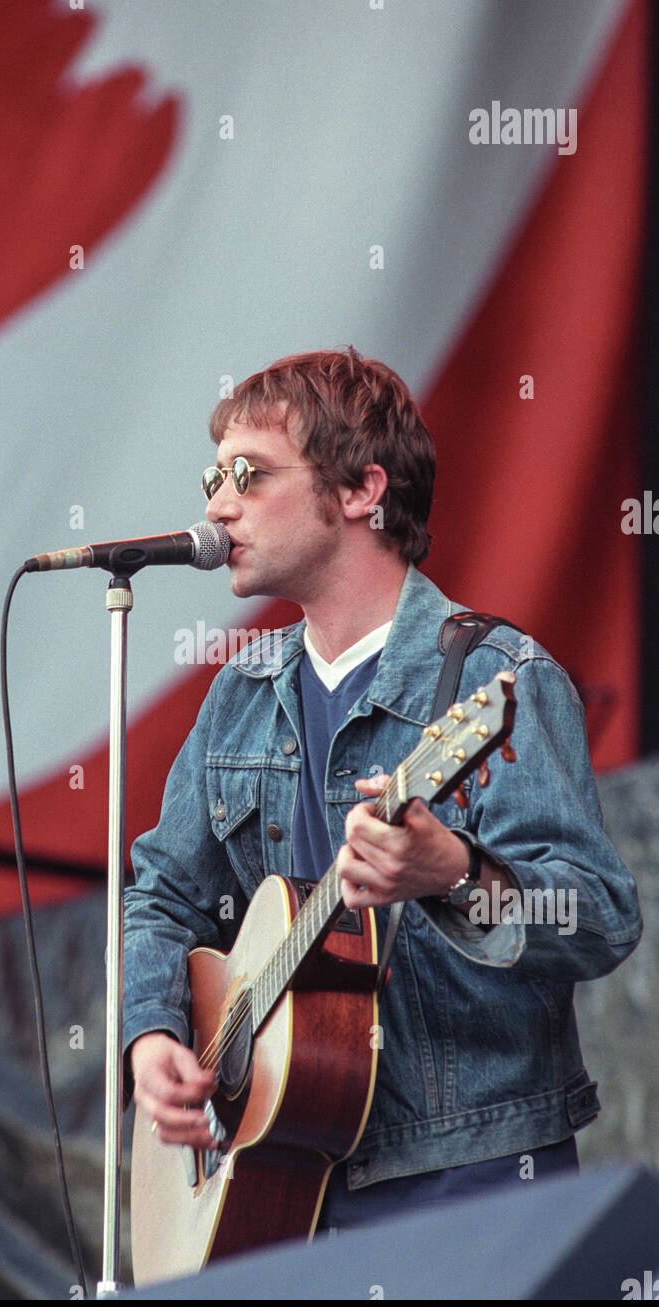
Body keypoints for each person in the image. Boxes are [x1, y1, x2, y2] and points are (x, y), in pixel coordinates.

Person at [122, 347, 642, 1232]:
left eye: (247, 473)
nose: (215, 503)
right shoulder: (238, 696)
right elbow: (163, 899)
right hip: (282, 1174)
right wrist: (152, 1033)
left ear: (362, 491)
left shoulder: (496, 677)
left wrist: (454, 876)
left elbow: (598, 917)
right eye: (213, 475)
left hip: (467, 1174)